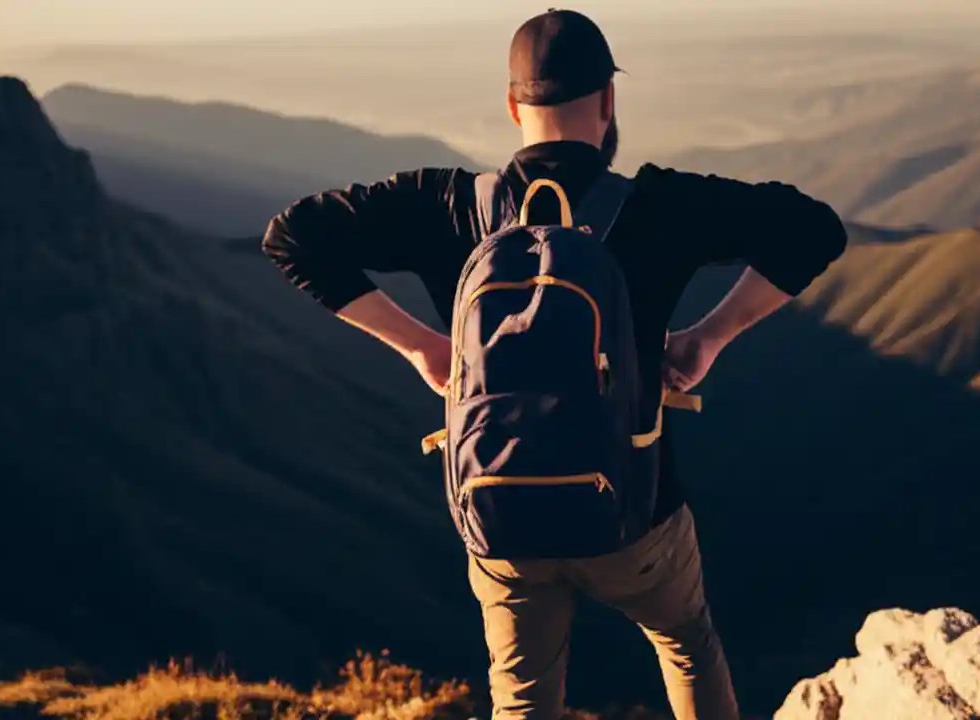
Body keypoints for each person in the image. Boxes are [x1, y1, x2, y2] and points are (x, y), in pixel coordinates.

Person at [262, 9, 846, 719]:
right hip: (636, 513)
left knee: (524, 695)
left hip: (501, 511)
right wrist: (709, 337)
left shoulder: (448, 207)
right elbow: (813, 230)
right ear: (608, 102)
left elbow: (293, 238)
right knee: (687, 641)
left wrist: (424, 345)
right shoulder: (662, 206)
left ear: (513, 107)